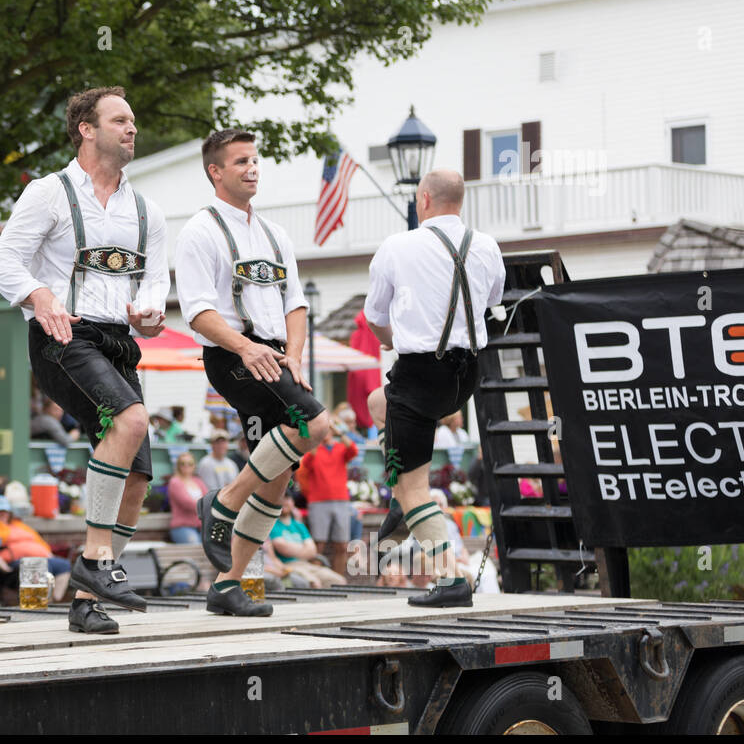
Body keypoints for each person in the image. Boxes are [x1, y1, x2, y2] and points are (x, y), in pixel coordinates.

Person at [0, 85, 168, 635]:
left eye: (133, 119)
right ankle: (95, 560)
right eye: (119, 119)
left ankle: (86, 603)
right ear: (86, 129)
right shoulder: (49, 192)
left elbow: (156, 279)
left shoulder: (146, 209)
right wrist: (40, 297)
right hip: (62, 336)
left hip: (118, 341)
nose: (131, 128)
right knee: (131, 420)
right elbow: (3, 262)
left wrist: (152, 309)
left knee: (137, 478)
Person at [174, 128, 332, 617]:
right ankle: (220, 503)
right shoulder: (199, 231)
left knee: (277, 479)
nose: (252, 168)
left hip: (277, 357)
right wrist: (246, 349)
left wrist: (295, 354)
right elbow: (196, 310)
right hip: (233, 357)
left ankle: (226, 585)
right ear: (214, 171)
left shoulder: (274, 234)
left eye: (255, 160)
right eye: (240, 161)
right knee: (316, 423)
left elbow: (297, 303)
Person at [364, 168, 506, 608]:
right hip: (466, 376)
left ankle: (449, 580)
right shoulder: (486, 245)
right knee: (376, 402)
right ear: (460, 201)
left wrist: (394, 341)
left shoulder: (398, 246)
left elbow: (374, 316)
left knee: (415, 486)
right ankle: (400, 496)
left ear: (422, 198)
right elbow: (492, 301)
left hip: (421, 371)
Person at [0, 484, 71, 602]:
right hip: (10, 563)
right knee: (41, 565)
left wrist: (47, 553)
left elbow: (38, 541)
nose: (3, 514)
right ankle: (39, 602)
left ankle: (53, 600)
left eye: (5, 511)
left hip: (37, 557)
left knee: (63, 565)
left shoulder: (18, 525)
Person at [296, 414, 360, 580]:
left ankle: (337, 579)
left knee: (341, 544)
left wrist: (338, 431)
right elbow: (308, 462)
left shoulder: (340, 448)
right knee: (319, 543)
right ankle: (316, 577)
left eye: (327, 431)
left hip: (341, 500)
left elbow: (353, 450)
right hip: (318, 501)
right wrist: (316, 438)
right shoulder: (314, 450)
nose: (327, 433)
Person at [265, 488, 345, 588]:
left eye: (287, 498)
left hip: (307, 564)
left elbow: (313, 550)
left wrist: (299, 550)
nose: (284, 502)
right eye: (280, 499)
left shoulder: (299, 525)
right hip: (288, 566)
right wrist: (304, 549)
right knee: (314, 583)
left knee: (339, 581)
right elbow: (282, 547)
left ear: (293, 502)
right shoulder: (273, 525)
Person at [165, 452, 207, 544]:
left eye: (190, 463)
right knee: (195, 547)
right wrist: (206, 506)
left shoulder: (198, 481)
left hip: (201, 526)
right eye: (182, 463)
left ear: (194, 466)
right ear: (178, 466)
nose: (186, 466)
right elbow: (187, 503)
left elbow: (208, 498)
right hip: (182, 527)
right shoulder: (175, 482)